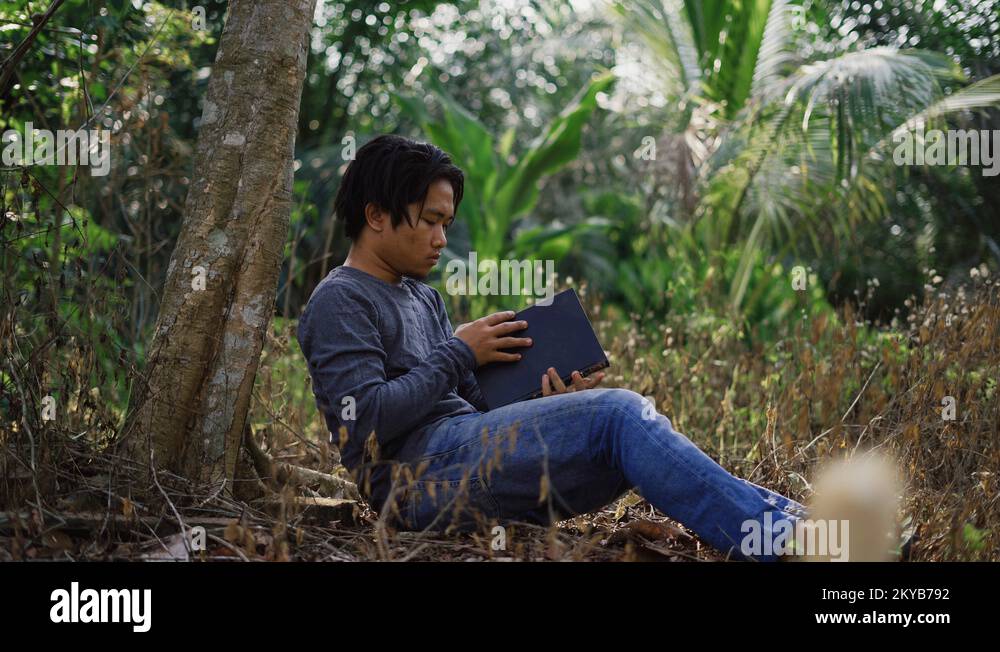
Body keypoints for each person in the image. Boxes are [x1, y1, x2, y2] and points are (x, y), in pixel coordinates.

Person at [297, 134, 807, 561]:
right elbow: (361, 423)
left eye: (446, 225)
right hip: (414, 484)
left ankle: (815, 530)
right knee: (619, 416)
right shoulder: (340, 299)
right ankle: (785, 544)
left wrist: (546, 401)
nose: (440, 239)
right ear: (377, 215)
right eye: (429, 220)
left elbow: (469, 408)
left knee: (616, 440)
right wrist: (458, 353)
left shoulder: (422, 296)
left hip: (460, 452)